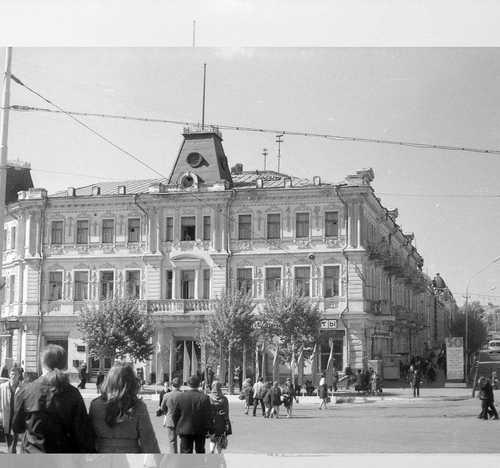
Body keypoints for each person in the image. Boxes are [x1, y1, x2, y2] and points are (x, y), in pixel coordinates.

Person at [12, 344, 94, 453]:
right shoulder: (72, 393)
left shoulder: (26, 390)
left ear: (42, 363)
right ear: (65, 365)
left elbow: (17, 427)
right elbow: (81, 432)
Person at [89, 362, 159, 453]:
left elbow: (89, 436)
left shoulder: (95, 405)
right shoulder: (138, 406)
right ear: (132, 382)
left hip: (102, 455)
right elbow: (148, 441)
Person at [172, 374, 213, 454]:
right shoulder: (205, 398)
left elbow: (175, 415)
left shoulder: (180, 397)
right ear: (199, 384)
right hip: (200, 430)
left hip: (184, 429)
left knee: (186, 453)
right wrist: (210, 430)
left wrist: (178, 427)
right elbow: (208, 416)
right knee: (200, 452)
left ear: (188, 384)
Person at [0, 366, 23, 453]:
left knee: (13, 444)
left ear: (19, 376)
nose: (13, 376)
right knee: (9, 442)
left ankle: (11, 457)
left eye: (15, 374)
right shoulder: (2, 387)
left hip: (16, 419)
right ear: (9, 375)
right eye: (12, 374)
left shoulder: (22, 388)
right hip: (6, 419)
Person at [208, 381, 231, 454]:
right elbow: (226, 412)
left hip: (212, 421)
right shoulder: (224, 399)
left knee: (212, 438)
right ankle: (219, 453)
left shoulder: (209, 398)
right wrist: (227, 422)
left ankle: (211, 450)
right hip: (221, 421)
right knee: (220, 438)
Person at [161, 377, 182, 453]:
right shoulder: (184, 395)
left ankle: (174, 458)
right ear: (180, 385)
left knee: (172, 441)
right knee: (184, 441)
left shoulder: (166, 395)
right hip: (182, 421)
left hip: (170, 420)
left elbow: (162, 408)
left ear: (172, 385)